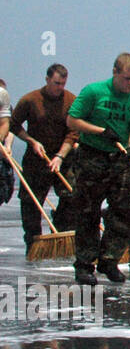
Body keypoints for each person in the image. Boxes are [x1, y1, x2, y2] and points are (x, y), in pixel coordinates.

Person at [64, 53, 130, 285]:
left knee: (124, 210)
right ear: (115, 72)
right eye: (126, 79)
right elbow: (72, 120)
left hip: (120, 158)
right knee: (87, 211)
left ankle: (109, 259)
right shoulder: (94, 92)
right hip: (92, 155)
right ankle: (84, 264)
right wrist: (100, 131)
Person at [9, 64, 78, 251]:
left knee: (71, 197)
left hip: (63, 158)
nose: (59, 88)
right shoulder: (30, 100)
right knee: (30, 202)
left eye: (63, 84)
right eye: (56, 83)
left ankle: (63, 239)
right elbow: (13, 125)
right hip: (36, 158)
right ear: (47, 80)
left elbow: (73, 133)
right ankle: (33, 245)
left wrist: (60, 156)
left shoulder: (71, 100)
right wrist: (30, 140)